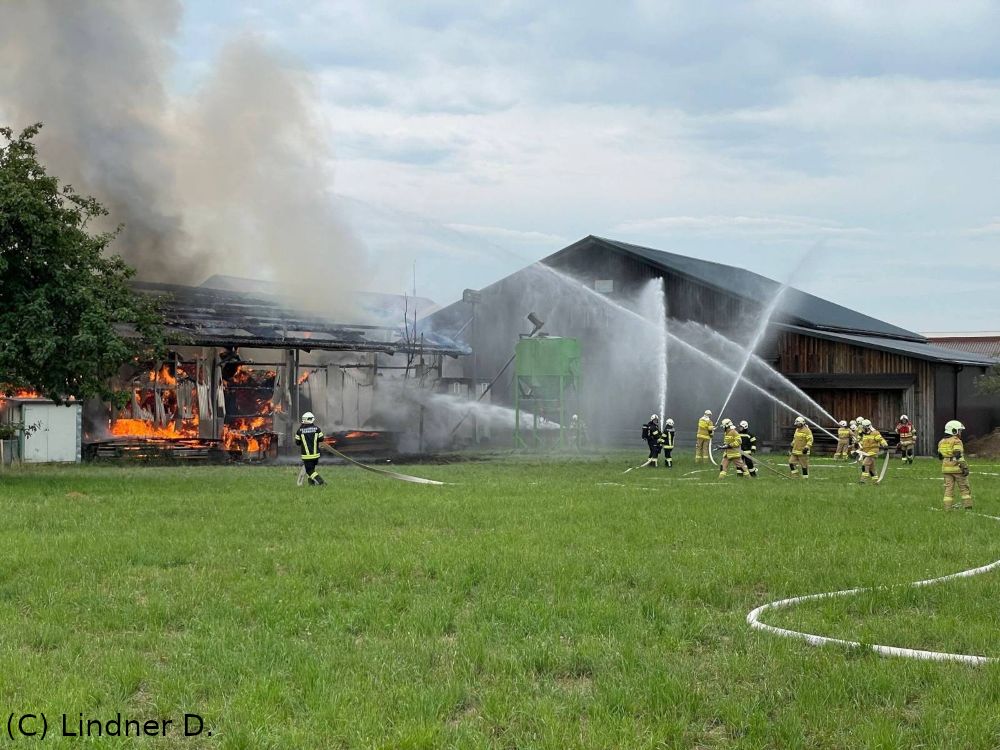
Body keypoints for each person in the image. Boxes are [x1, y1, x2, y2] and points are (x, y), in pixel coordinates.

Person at [938, 420, 972, 510]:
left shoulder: (941, 442)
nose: (960, 433)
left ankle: (947, 508)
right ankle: (968, 506)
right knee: (964, 488)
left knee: (948, 489)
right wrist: (964, 467)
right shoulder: (957, 441)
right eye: (959, 430)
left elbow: (940, 456)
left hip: (946, 469)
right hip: (957, 469)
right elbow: (958, 455)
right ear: (954, 431)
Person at [294, 411, 326, 486]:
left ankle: (321, 482)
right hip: (316, 455)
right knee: (312, 469)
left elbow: (297, 443)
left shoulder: (300, 431)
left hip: (306, 456)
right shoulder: (317, 429)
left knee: (309, 471)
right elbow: (321, 439)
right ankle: (311, 484)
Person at [858, 418, 888, 485]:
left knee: (865, 464)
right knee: (872, 469)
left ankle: (863, 480)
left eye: (863, 427)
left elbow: (881, 439)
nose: (862, 428)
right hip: (866, 452)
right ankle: (876, 482)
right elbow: (861, 442)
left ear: (866, 427)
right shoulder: (864, 433)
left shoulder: (875, 433)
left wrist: (885, 444)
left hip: (872, 452)